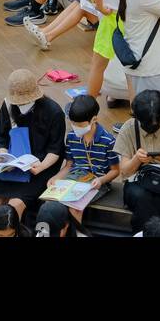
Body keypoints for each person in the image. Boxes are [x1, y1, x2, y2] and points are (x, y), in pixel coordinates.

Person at [0, 69, 66, 227]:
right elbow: (2, 138)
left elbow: (55, 150)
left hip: (41, 167)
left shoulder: (53, 112)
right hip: (14, 166)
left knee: (15, 205)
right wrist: (3, 157)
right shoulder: (7, 105)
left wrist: (39, 167)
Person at [114, 89, 160, 233]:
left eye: (157, 124)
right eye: (148, 124)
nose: (153, 127)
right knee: (143, 198)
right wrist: (136, 159)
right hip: (137, 183)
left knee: (145, 203)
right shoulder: (129, 128)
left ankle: (139, 234)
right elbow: (124, 171)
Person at [48, 94, 119, 226]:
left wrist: (101, 180)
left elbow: (115, 171)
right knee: (51, 205)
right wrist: (56, 178)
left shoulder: (108, 141)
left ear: (94, 119)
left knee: (75, 207)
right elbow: (69, 165)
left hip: (98, 183)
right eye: (72, 123)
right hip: (75, 179)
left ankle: (76, 232)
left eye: (79, 124)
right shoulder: (71, 137)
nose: (75, 127)